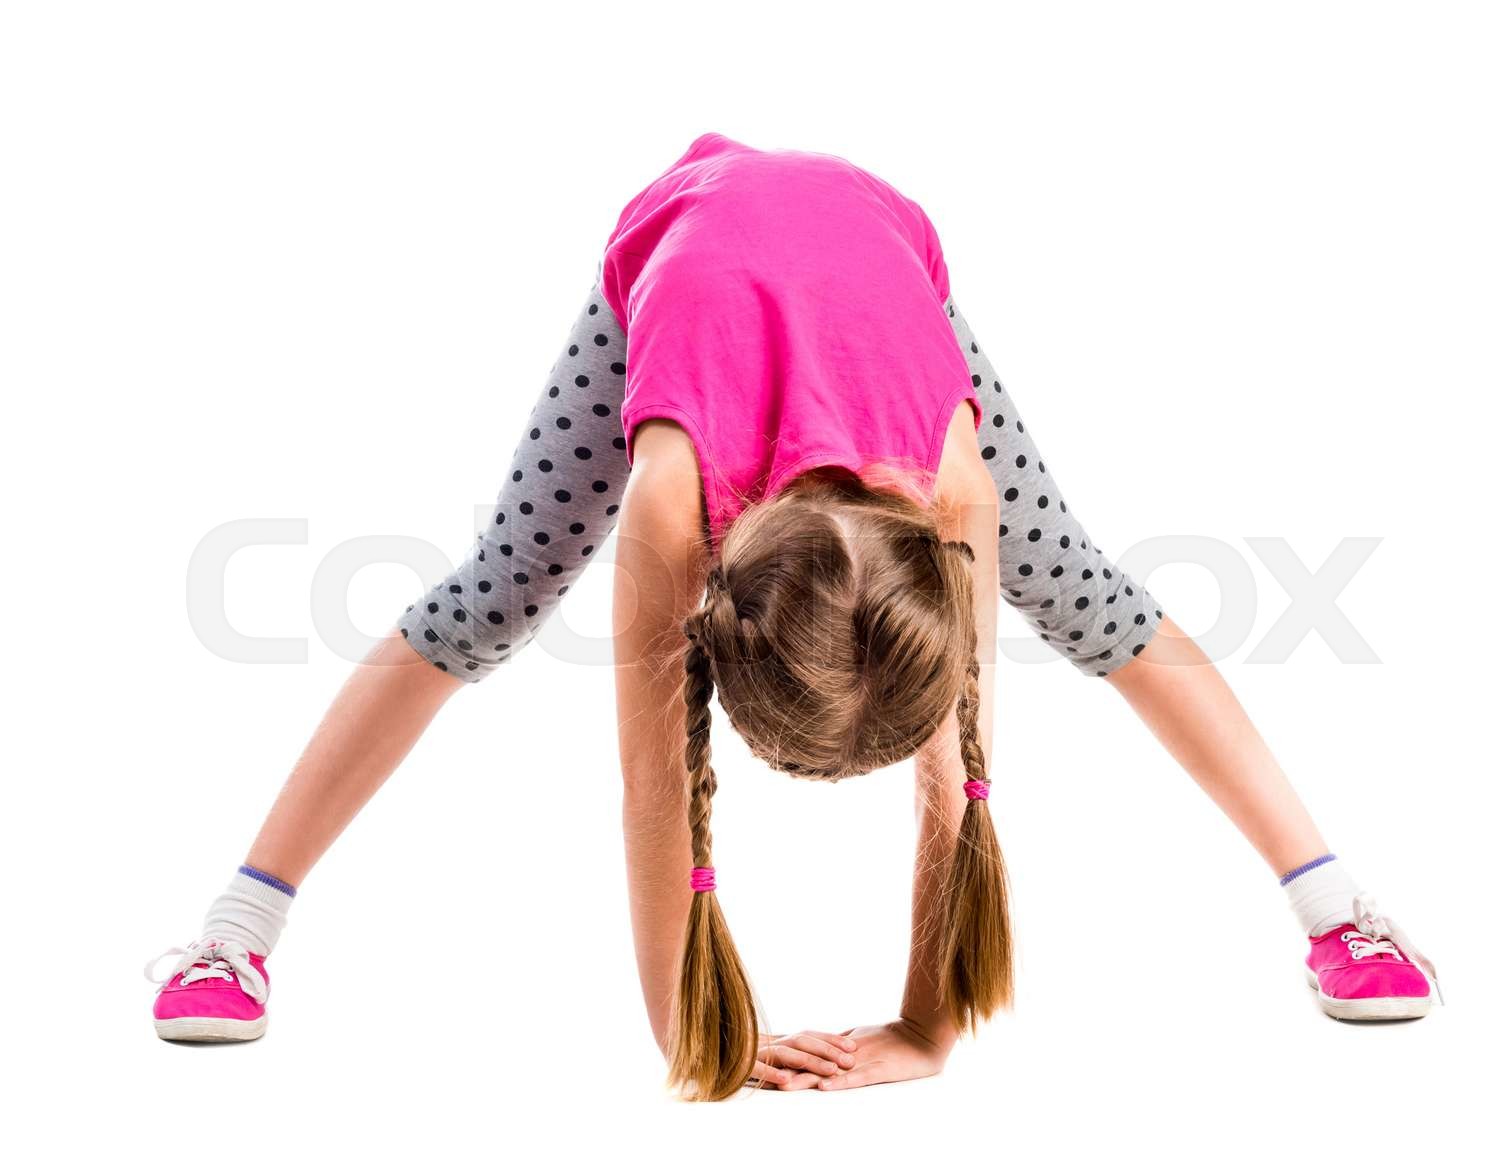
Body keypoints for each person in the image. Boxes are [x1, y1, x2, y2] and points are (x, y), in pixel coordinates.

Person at [145, 131, 1439, 1098]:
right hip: (683, 249)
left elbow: (963, 776)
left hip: (878, 261)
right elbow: (656, 786)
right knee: (488, 601)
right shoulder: (672, 496)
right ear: (713, 610)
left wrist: (927, 1029)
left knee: (1087, 597)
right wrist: (692, 1032)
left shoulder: (955, 488)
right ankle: (234, 931)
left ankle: (1338, 908)